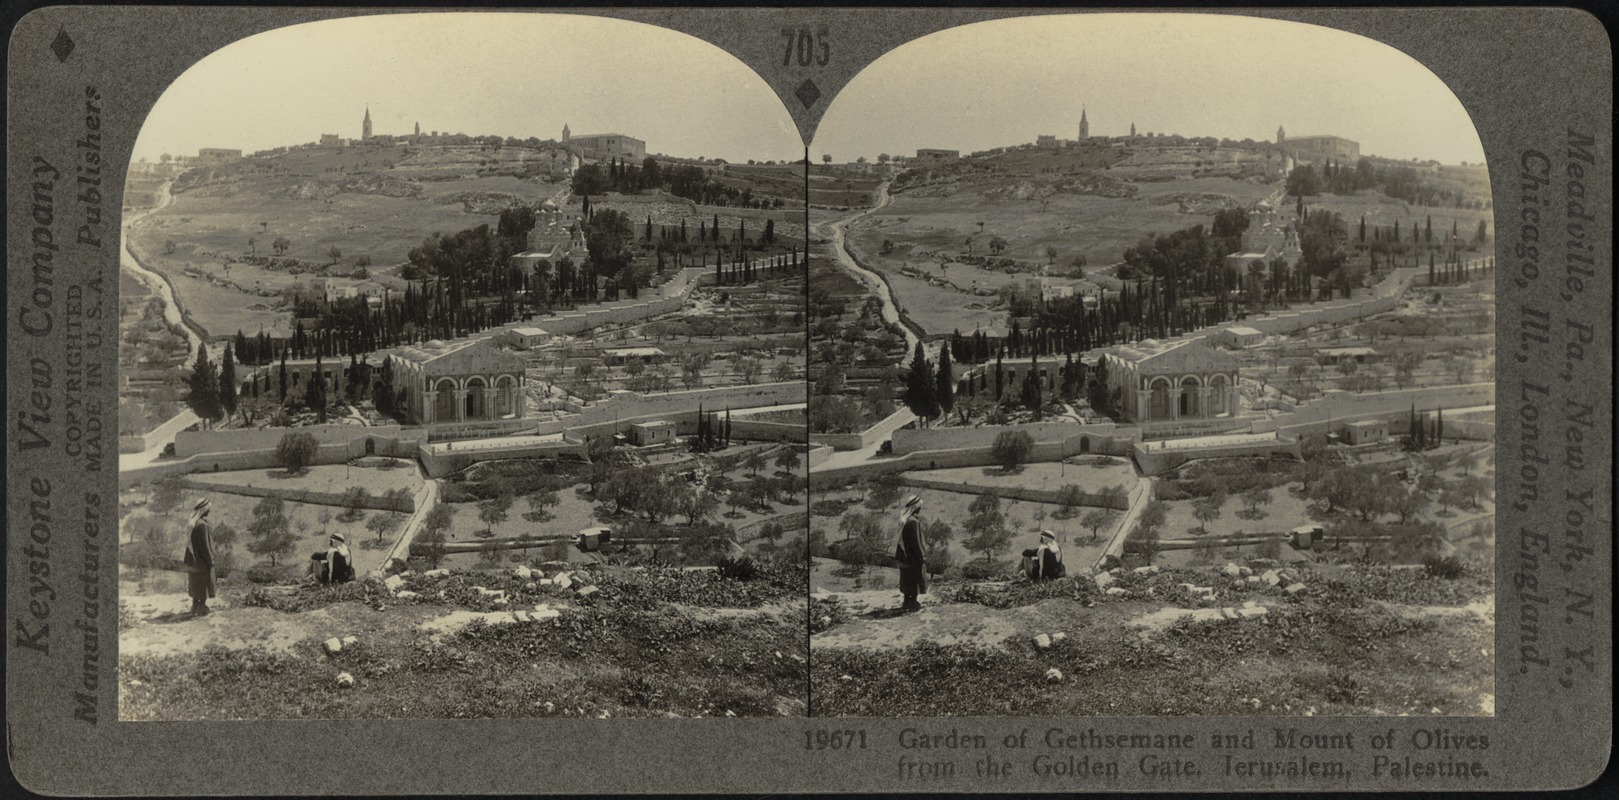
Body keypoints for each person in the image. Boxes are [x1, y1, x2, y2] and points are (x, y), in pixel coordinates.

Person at [183, 498, 217, 616]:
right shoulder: (202, 525)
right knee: (204, 582)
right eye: (208, 509)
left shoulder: (192, 522)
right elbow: (204, 546)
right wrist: (210, 559)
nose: (209, 511)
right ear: (203, 510)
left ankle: (194, 605)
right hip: (201, 561)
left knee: (195, 582)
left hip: (192, 560)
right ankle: (201, 607)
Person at [893, 494, 926, 613]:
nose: (920, 508)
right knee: (915, 578)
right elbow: (915, 542)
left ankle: (906, 602)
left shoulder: (905, 519)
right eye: (919, 506)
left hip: (904, 556)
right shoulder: (913, 522)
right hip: (912, 557)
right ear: (916, 507)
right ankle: (912, 602)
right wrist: (921, 556)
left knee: (907, 578)